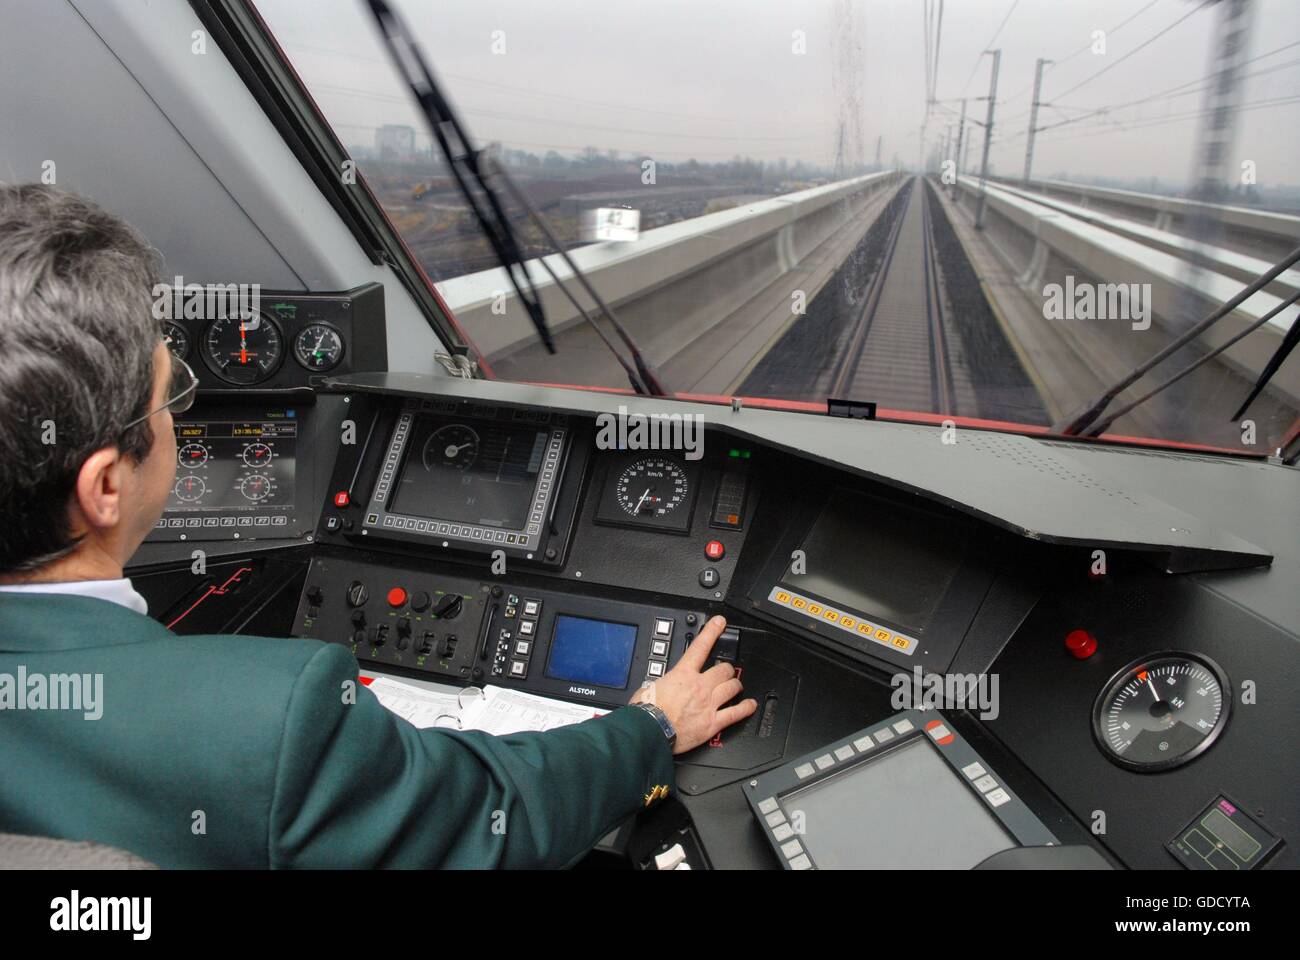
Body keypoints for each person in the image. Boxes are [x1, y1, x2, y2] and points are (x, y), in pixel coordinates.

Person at [0, 184, 757, 868]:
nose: (178, 421)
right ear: (104, 484)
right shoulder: (265, 721)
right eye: (171, 399)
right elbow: (490, 815)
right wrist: (650, 728)